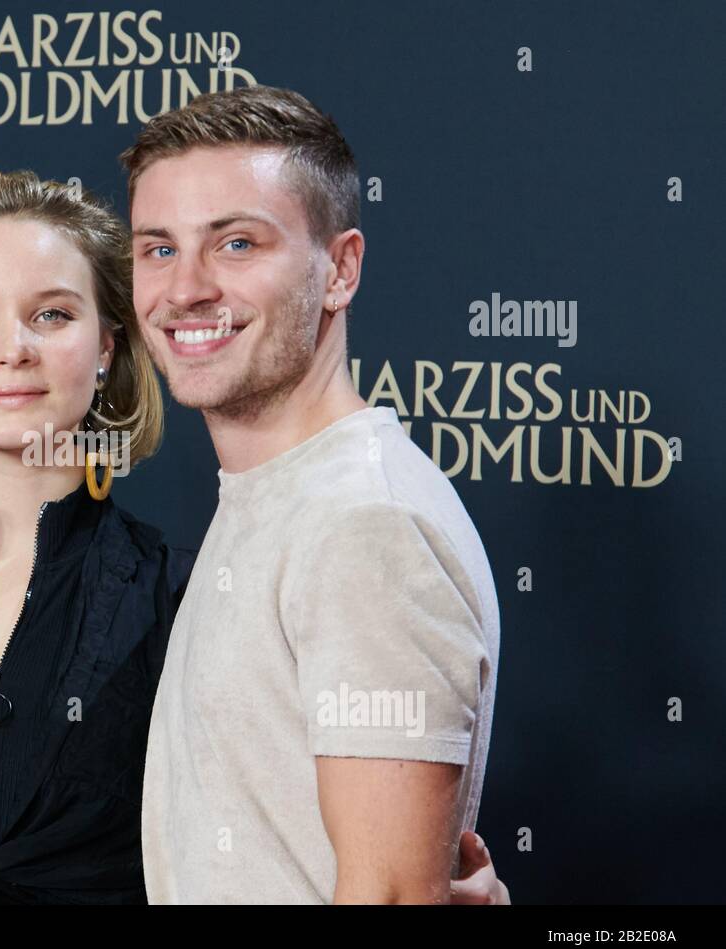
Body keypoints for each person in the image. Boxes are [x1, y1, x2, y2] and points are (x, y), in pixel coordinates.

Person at [0, 168, 508, 904]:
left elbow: (274, 855)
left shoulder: (184, 596)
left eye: (53, 314)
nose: (13, 349)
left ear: (106, 344)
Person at [128, 85, 507, 903]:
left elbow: (393, 897)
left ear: (340, 269)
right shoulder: (280, 496)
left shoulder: (363, 526)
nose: (185, 288)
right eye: (158, 249)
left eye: (235, 244)